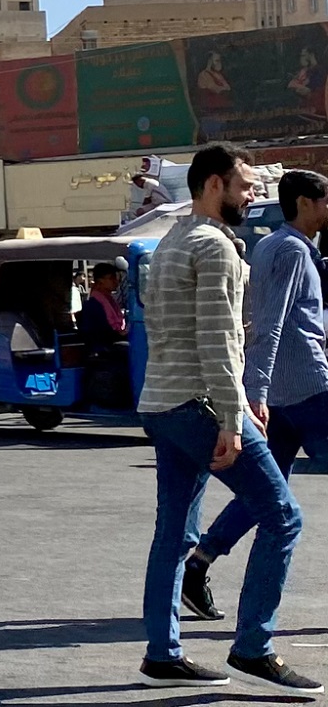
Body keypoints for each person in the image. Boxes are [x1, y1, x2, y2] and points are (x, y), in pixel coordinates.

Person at [136, 143, 317, 692]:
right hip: (199, 405)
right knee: (283, 516)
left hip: (161, 403)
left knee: (173, 534)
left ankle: (163, 656)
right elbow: (219, 342)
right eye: (244, 185)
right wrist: (233, 418)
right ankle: (254, 647)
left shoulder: (170, 240)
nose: (253, 193)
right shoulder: (213, 246)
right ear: (213, 185)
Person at [177, 171, 328, 641]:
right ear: (306, 203)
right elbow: (270, 325)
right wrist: (256, 391)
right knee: (272, 500)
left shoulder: (276, 246)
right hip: (305, 388)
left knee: (266, 491)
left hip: (281, 393)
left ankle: (198, 565)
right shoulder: (289, 250)